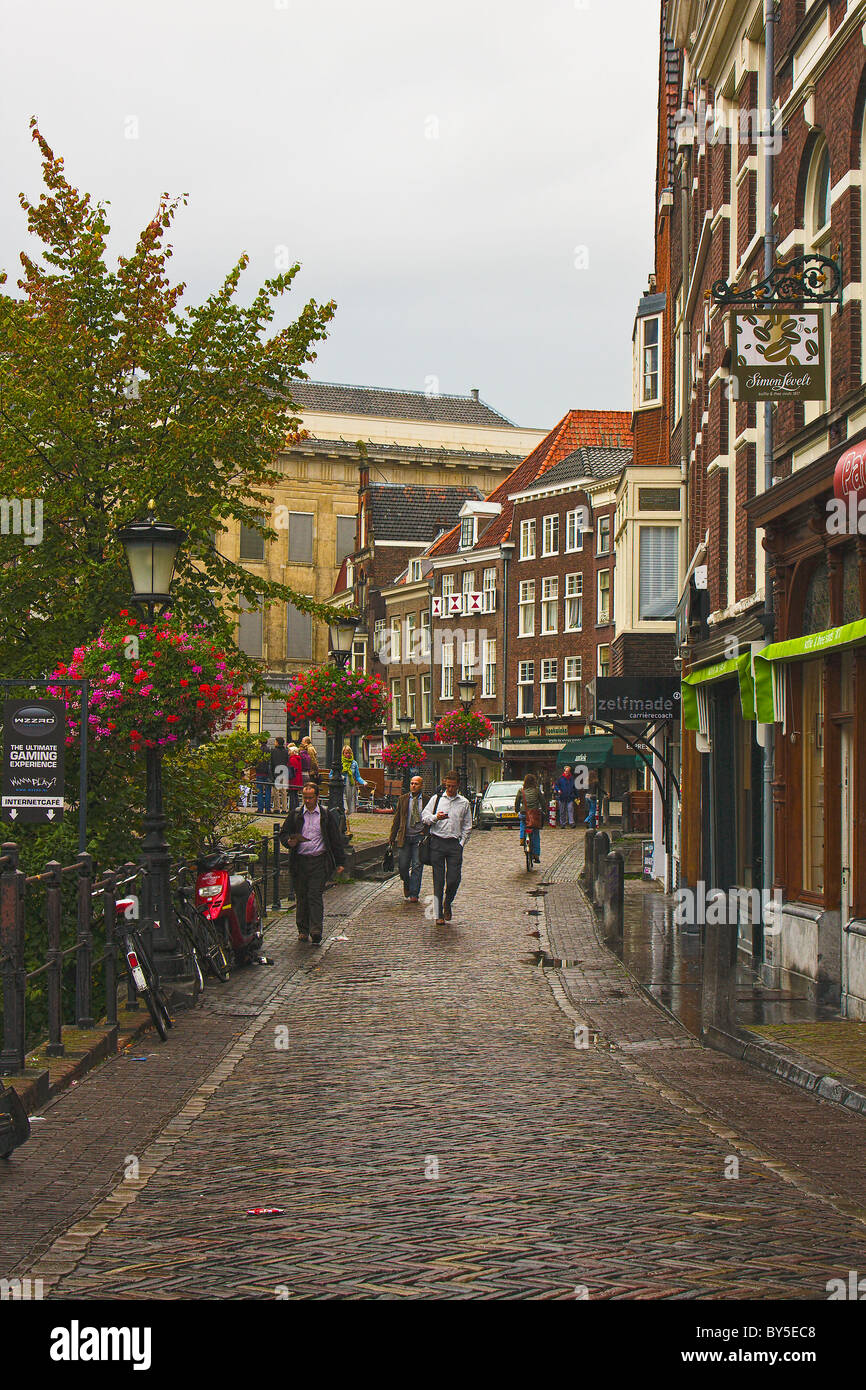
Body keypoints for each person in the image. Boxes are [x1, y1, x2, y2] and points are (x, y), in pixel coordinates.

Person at [279, 781, 347, 943]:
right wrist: (289, 842)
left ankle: (316, 929)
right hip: (300, 860)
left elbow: (334, 839)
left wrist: (340, 862)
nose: (307, 801)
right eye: (305, 797)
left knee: (315, 894)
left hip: (319, 860)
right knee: (301, 895)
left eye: (310, 797)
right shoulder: (296, 814)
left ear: (317, 797)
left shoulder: (324, 815)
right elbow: (284, 834)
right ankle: (302, 929)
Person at [422, 768, 473, 926]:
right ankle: (438, 914)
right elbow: (424, 817)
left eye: (453, 787)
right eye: (448, 786)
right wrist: (436, 817)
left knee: (453, 879)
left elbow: (468, 825)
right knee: (438, 879)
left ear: (458, 786)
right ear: (445, 784)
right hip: (437, 842)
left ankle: (447, 902)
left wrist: (461, 843)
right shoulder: (437, 799)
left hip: (454, 844)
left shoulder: (464, 803)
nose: (450, 789)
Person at [389, 774, 426, 902]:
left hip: (419, 838)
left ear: (421, 786)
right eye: (411, 783)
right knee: (403, 866)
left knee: (417, 865)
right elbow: (397, 819)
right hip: (405, 837)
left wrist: (425, 833)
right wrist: (392, 837)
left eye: (416, 783)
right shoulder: (403, 799)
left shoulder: (427, 800)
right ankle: (406, 882)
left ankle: (414, 893)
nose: (413, 786)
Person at [515, 772, 543, 864]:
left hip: (524, 813)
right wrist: (544, 810)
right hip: (534, 814)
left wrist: (517, 810)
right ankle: (536, 854)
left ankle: (522, 838)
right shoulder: (537, 790)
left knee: (523, 822)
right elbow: (542, 801)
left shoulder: (521, 791)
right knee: (535, 833)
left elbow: (517, 802)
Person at [342, 743, 367, 835]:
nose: (348, 755)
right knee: (345, 808)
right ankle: (344, 826)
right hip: (342, 786)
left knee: (350, 808)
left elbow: (357, 776)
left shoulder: (354, 763)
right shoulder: (340, 763)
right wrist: (339, 777)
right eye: (346, 753)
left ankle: (348, 827)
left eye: (349, 753)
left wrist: (363, 782)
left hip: (351, 786)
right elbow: (331, 775)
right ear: (343, 754)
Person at [269, 737, 290, 815]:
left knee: (276, 792)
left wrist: (271, 774)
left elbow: (271, 763)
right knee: (284, 792)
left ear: (277, 742)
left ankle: (277, 808)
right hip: (284, 771)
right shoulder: (286, 751)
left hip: (276, 772)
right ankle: (284, 808)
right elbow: (287, 761)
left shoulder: (273, 751)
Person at [254, 741, 272, 815]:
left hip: (259, 772)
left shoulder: (257, 750)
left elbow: (254, 761)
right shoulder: (269, 750)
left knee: (259, 791)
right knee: (268, 791)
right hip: (267, 773)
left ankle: (260, 808)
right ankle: (268, 809)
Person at [286, 743, 303, 813]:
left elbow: (292, 770)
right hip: (297, 779)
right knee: (295, 794)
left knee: (292, 794)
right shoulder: (298, 758)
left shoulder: (292, 759)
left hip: (293, 779)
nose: (288, 752)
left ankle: (292, 809)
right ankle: (295, 807)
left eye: (289, 751)